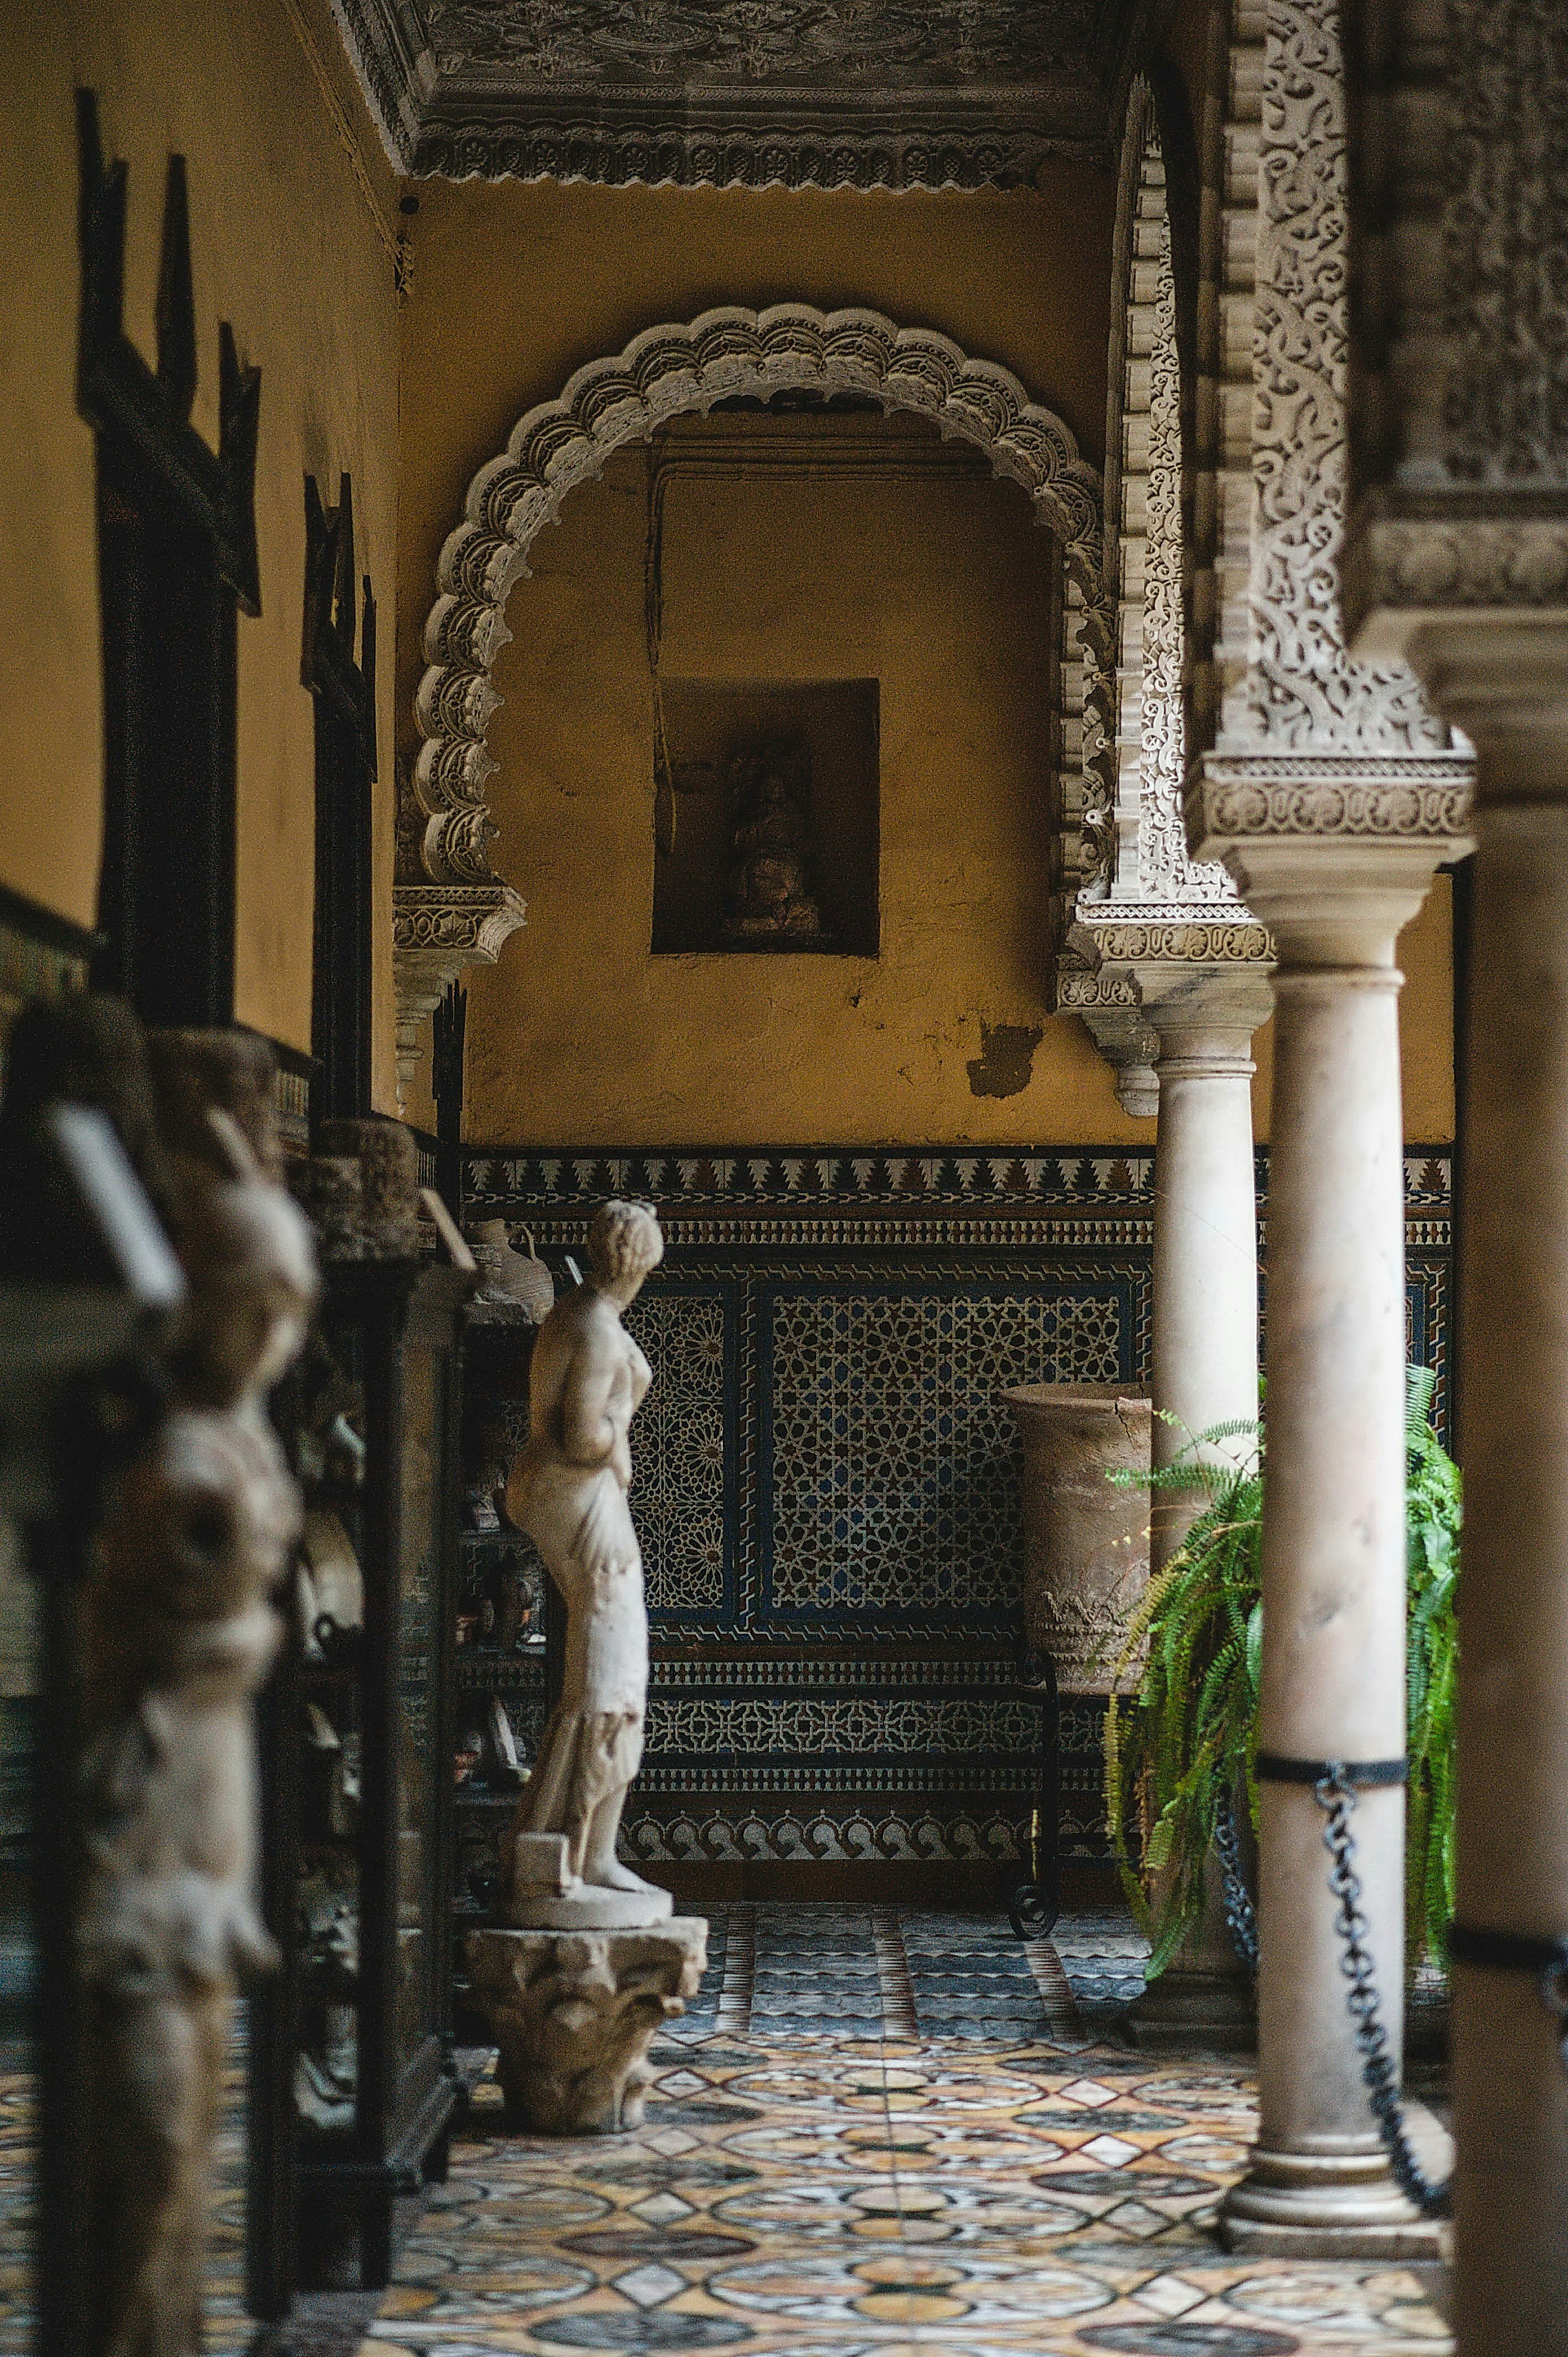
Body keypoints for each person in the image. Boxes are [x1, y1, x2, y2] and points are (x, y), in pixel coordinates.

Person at [503, 1199, 666, 1905]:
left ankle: (560, 1846)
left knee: (598, 1672)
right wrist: (623, 1424)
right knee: (613, 1673)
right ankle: (583, 1854)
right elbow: (580, 1435)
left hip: (557, 1493)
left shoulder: (572, 1311)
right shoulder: (597, 1329)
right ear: (640, 1261)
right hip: (578, 1494)